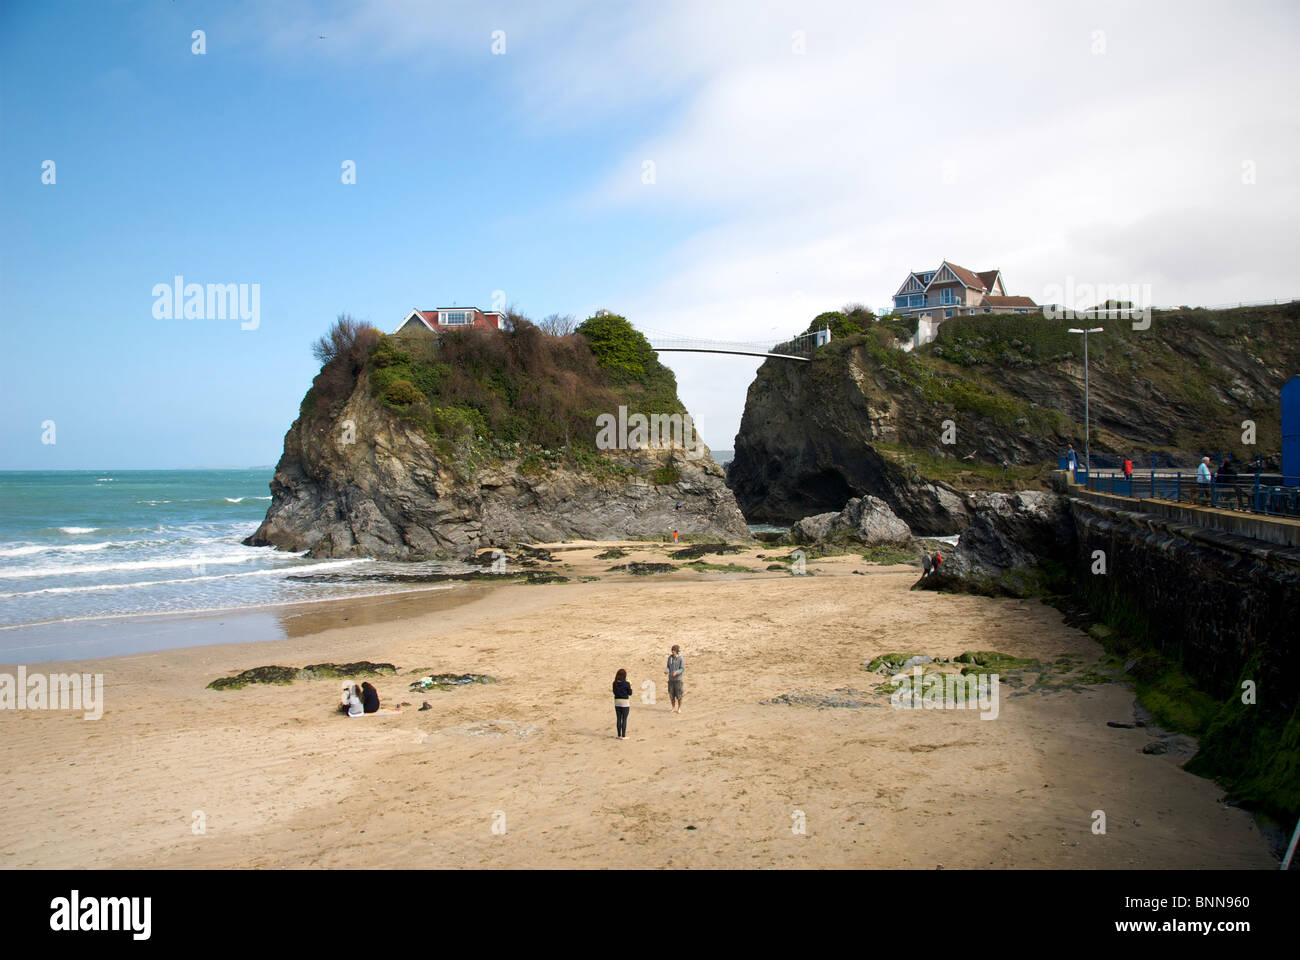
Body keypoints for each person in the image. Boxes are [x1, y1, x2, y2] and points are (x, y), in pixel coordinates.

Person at [612, 668, 632, 739]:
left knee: (618, 719)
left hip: (617, 702)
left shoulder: (614, 683)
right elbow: (630, 693)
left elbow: (614, 692)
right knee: (624, 719)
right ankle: (623, 735)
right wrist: (630, 687)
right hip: (624, 703)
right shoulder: (626, 683)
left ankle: (618, 735)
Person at [665, 645, 684, 714]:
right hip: (671, 680)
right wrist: (666, 670)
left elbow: (682, 668)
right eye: (672, 651)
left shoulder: (680, 658)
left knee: (679, 695)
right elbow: (668, 666)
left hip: (678, 680)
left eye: (674, 651)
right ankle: (673, 708)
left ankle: (679, 708)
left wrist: (676, 672)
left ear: (677, 651)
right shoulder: (670, 658)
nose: (673, 652)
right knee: (671, 695)